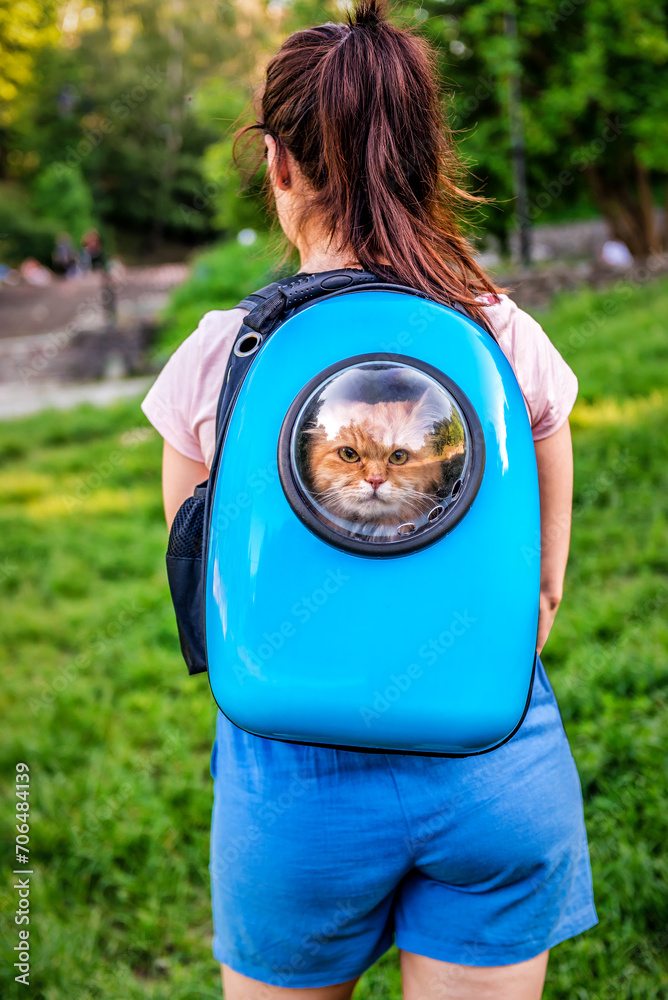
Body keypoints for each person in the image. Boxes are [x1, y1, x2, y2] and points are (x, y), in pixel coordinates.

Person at [141, 3, 597, 998]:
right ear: (425, 159)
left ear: (276, 164)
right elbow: (546, 517)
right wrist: (532, 597)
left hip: (292, 787)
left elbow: (204, 571)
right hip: (492, 762)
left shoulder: (220, 356)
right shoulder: (499, 334)